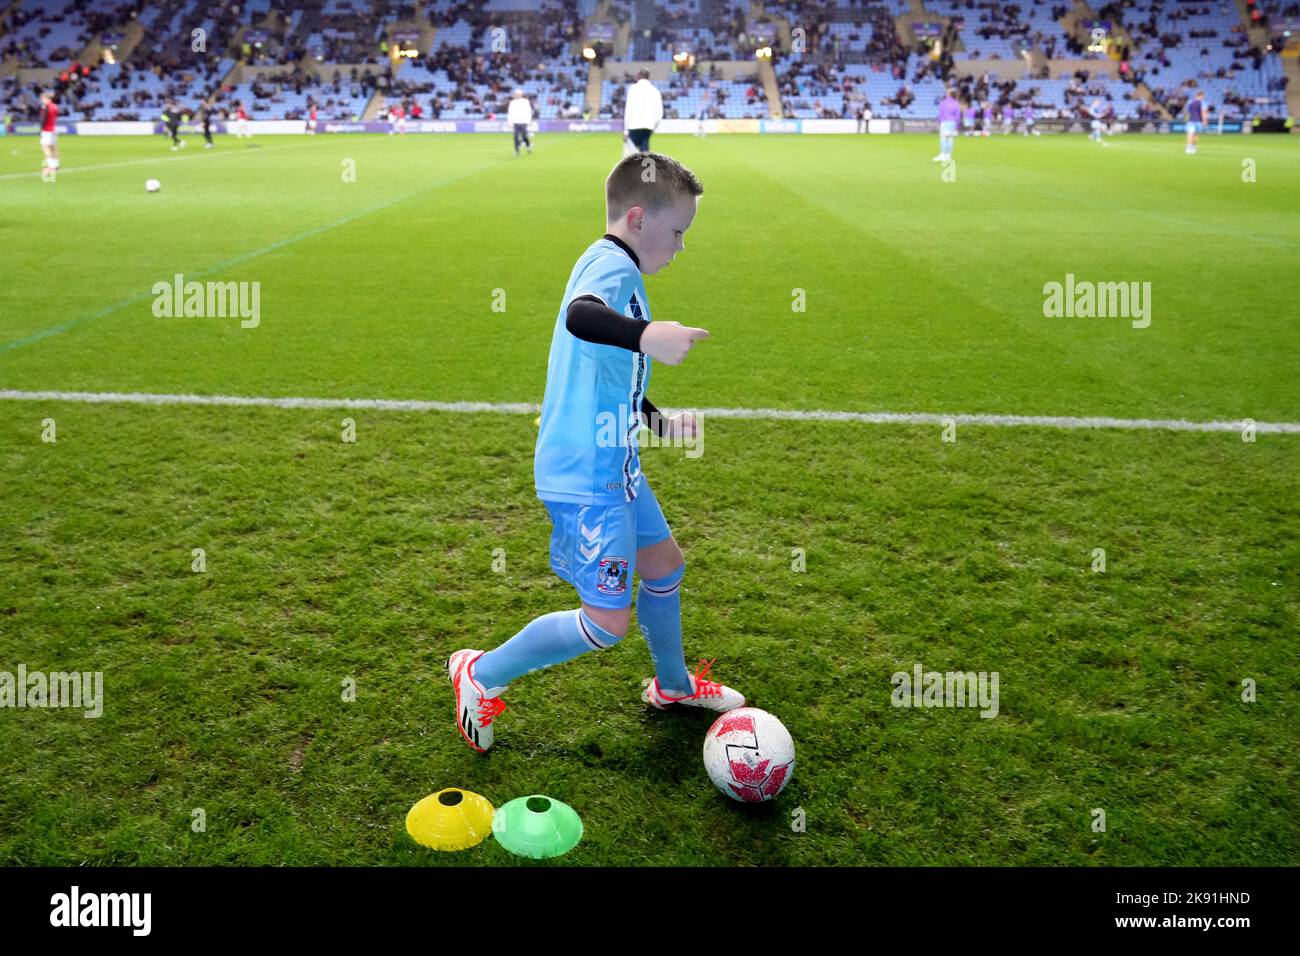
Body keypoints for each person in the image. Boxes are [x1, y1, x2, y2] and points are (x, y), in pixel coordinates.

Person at [448, 151, 745, 753]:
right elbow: (583, 318)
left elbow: (610, 375)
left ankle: (673, 686)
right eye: (678, 232)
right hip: (587, 475)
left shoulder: (622, 271)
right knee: (604, 625)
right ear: (638, 219)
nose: (681, 246)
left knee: (664, 567)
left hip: (617, 465)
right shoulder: (608, 266)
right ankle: (479, 674)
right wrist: (648, 335)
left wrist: (659, 423)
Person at [624, 68, 663, 152]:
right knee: (645, 150)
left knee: (631, 153)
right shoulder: (655, 91)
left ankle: (634, 165)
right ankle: (646, 164)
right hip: (648, 125)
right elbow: (659, 112)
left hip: (634, 125)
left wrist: (626, 129)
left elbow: (628, 109)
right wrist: (655, 124)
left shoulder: (633, 89)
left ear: (639, 76)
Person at [37, 91, 58, 181]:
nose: (42, 100)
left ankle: (51, 166)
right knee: (54, 147)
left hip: (46, 130)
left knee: (45, 147)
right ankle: (56, 165)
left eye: (42, 98)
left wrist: (40, 129)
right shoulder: (55, 106)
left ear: (46, 99)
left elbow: (43, 118)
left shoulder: (46, 107)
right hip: (53, 129)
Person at [934, 87, 960, 162]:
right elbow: (958, 115)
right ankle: (948, 155)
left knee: (943, 138)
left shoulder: (943, 102)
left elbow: (940, 114)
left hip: (945, 122)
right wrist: (957, 125)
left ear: (949, 94)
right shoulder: (956, 103)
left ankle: (942, 154)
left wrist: (939, 122)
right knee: (950, 138)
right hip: (953, 122)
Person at [507, 88, 533, 155]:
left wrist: (529, 121)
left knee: (524, 136)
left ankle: (528, 146)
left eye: (517, 94)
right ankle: (517, 150)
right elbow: (510, 113)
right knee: (515, 136)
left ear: (521, 94)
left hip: (523, 121)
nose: (516, 95)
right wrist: (510, 122)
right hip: (516, 122)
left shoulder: (525, 101)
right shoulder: (512, 102)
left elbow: (529, 111)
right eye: (515, 94)